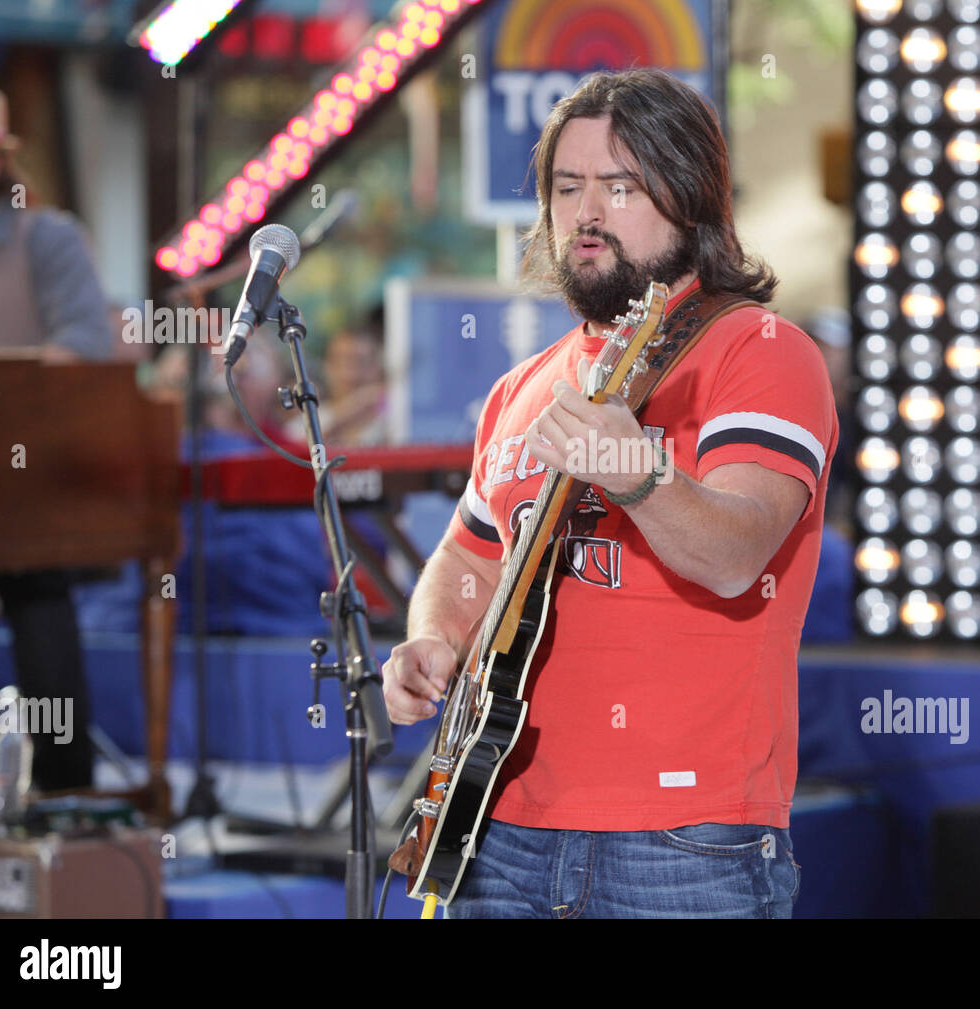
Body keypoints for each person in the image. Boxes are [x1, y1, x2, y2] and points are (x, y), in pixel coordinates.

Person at [382, 68, 838, 919]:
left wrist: (638, 475)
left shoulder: (761, 351)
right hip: (496, 828)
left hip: (683, 842)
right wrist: (431, 639)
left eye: (620, 186)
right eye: (567, 187)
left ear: (690, 196)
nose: (586, 213)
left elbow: (737, 555)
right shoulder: (524, 385)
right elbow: (467, 553)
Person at [0, 78, 111, 791]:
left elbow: (89, 343)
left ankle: (65, 794)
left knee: (37, 586)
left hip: (33, 484)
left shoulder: (44, 237)